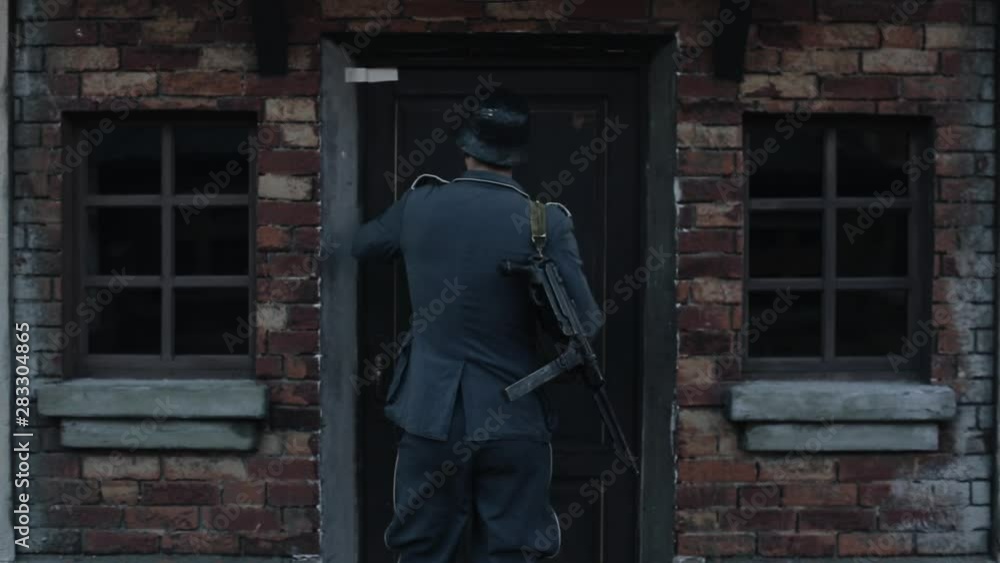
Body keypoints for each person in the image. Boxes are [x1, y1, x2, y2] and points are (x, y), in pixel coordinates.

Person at [351, 87, 602, 563]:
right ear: (518, 155)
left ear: (465, 148)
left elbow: (361, 246)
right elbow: (585, 321)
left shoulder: (419, 205)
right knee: (511, 553)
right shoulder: (545, 223)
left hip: (429, 417)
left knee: (422, 552)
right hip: (514, 418)